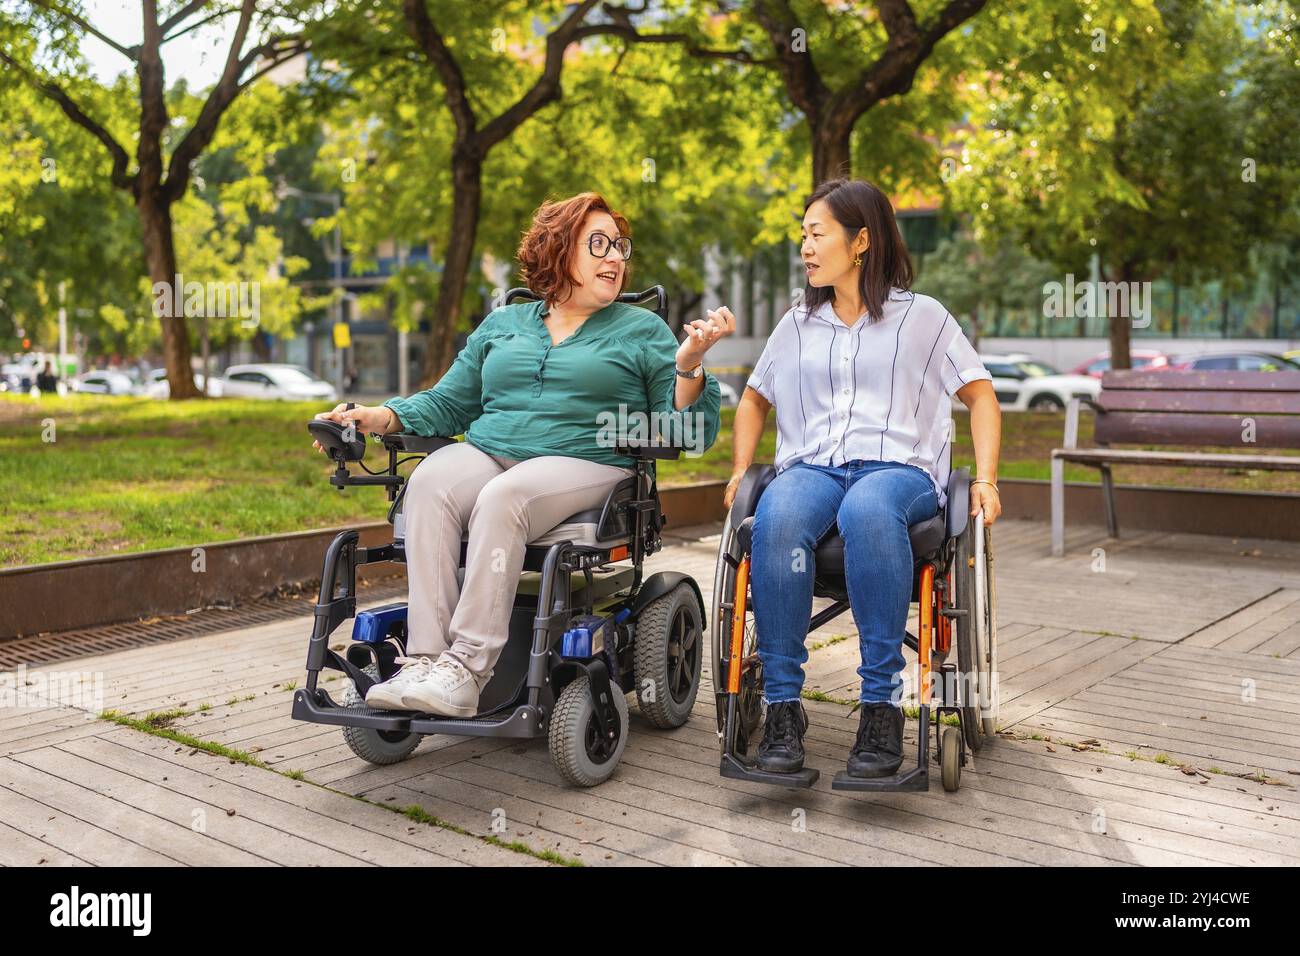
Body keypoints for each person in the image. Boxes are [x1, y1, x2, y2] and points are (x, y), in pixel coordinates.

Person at [312, 192, 729, 717]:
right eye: (598, 244)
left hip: (590, 458)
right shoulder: (503, 324)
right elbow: (448, 402)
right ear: (559, 250)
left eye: (620, 246)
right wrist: (377, 417)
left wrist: (688, 366)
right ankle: (424, 662)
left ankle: (465, 669)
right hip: (494, 448)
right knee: (431, 482)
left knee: (505, 496)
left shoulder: (641, 330)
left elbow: (681, 425)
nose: (616, 257)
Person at [723, 179, 1003, 778]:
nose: (805, 246)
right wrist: (742, 470)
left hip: (898, 472)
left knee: (868, 510)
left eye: (816, 233)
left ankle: (880, 708)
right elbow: (752, 399)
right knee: (774, 516)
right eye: (802, 235)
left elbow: (982, 397)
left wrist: (987, 480)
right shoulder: (797, 323)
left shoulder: (922, 317)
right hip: (815, 467)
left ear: (861, 241)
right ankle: (782, 709)